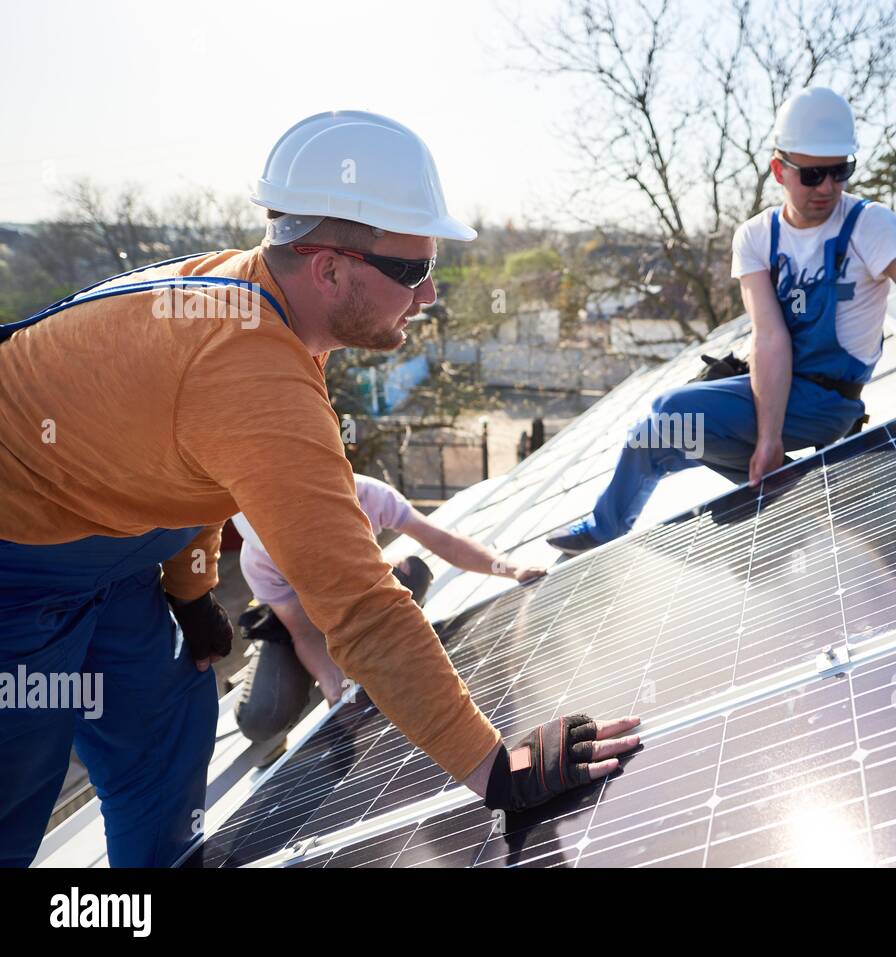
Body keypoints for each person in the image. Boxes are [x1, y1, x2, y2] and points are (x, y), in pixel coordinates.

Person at [0, 111, 638, 868]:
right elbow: (359, 606)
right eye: (411, 270)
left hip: (113, 543)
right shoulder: (252, 372)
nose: (430, 292)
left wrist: (192, 586)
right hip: (19, 557)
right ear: (329, 267)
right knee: (18, 784)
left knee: (166, 740)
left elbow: (187, 457)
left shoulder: (260, 300)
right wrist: (496, 768)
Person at [547, 87, 896, 555]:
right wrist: (768, 438)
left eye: (840, 171)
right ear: (779, 171)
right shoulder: (755, 237)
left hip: (827, 404)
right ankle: (619, 525)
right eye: (812, 175)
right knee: (655, 437)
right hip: (773, 387)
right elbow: (770, 338)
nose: (828, 187)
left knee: (670, 411)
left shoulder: (870, 225)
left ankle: (789, 492)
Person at [233, 472, 547, 742]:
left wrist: (510, 568)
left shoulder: (364, 495)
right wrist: (335, 690)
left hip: (349, 599)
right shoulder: (258, 558)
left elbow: (444, 542)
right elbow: (304, 633)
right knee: (261, 718)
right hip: (292, 623)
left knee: (412, 573)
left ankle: (361, 649)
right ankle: (296, 674)